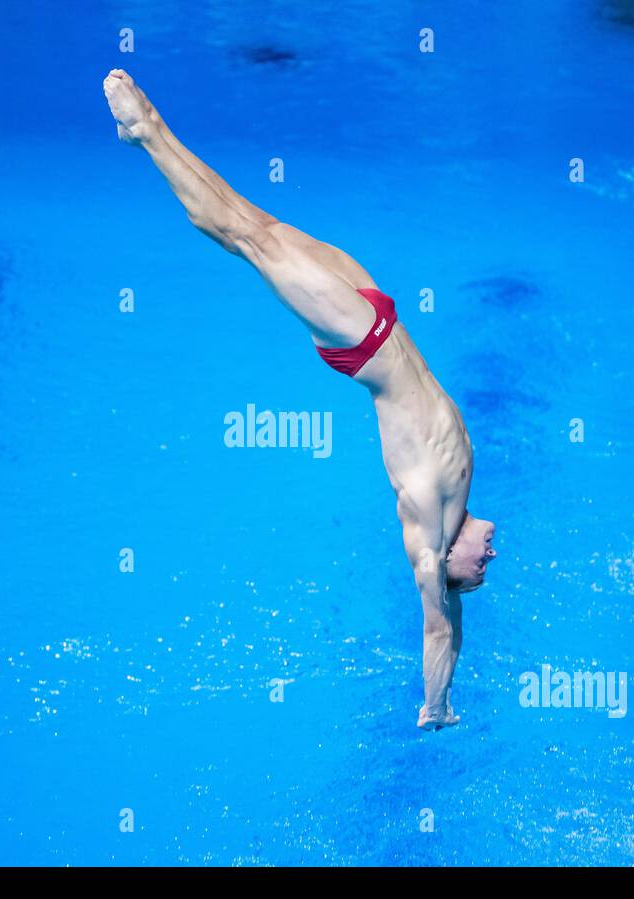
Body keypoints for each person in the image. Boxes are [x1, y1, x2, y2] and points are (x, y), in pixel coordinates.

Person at [103, 69, 496, 729]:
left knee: (245, 238)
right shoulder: (459, 491)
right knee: (261, 223)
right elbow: (455, 630)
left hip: (361, 339)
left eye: (479, 569)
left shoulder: (429, 525)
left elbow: (439, 627)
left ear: (448, 564)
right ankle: (145, 133)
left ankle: (146, 132)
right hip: (377, 312)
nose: (491, 556)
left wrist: (436, 705)